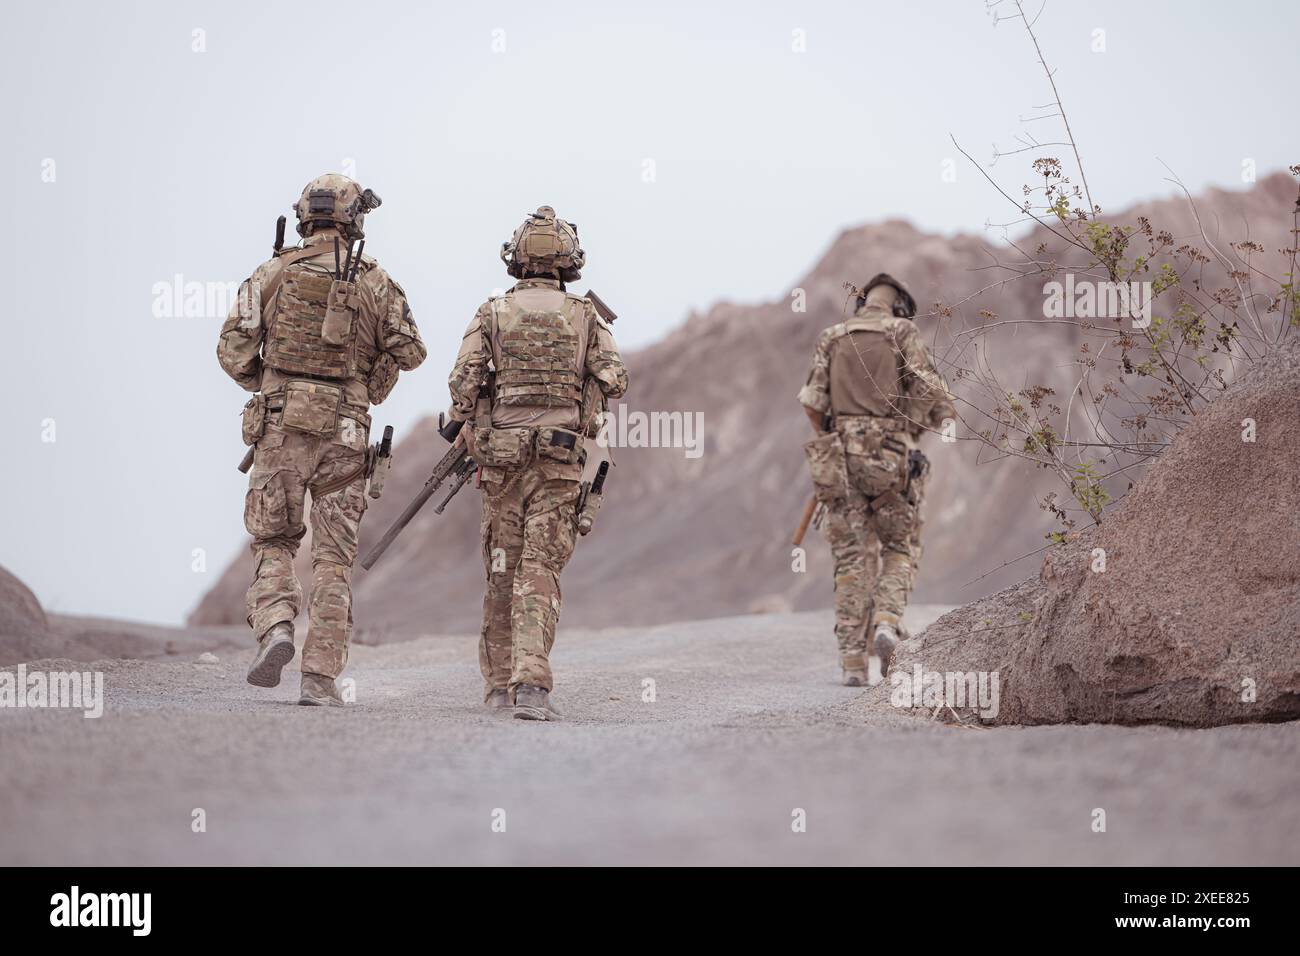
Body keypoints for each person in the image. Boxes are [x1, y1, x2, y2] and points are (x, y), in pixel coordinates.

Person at [217, 174, 426, 705]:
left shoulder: (271, 273)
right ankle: (320, 678)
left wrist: (271, 384)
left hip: (281, 426)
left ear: (305, 218)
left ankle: (277, 627)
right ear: (354, 221)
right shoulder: (376, 281)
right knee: (334, 558)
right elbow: (412, 351)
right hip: (346, 433)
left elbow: (232, 350)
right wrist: (368, 378)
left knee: (274, 540)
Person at [446, 206, 628, 720]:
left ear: (518, 260)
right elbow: (615, 379)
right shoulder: (586, 316)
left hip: (501, 461)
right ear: (569, 262)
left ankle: (499, 688)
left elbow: (461, 385)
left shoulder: (492, 311)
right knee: (540, 569)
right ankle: (532, 685)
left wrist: (480, 409)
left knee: (502, 571)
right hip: (560, 460)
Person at [797, 273, 954, 686]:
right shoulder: (903, 331)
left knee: (850, 557)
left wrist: (837, 436)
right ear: (898, 305)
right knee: (899, 546)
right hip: (891, 455)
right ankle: (886, 622)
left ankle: (852, 662)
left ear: (862, 302)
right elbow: (931, 389)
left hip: (839, 459)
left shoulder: (832, 337)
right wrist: (923, 422)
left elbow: (812, 405)